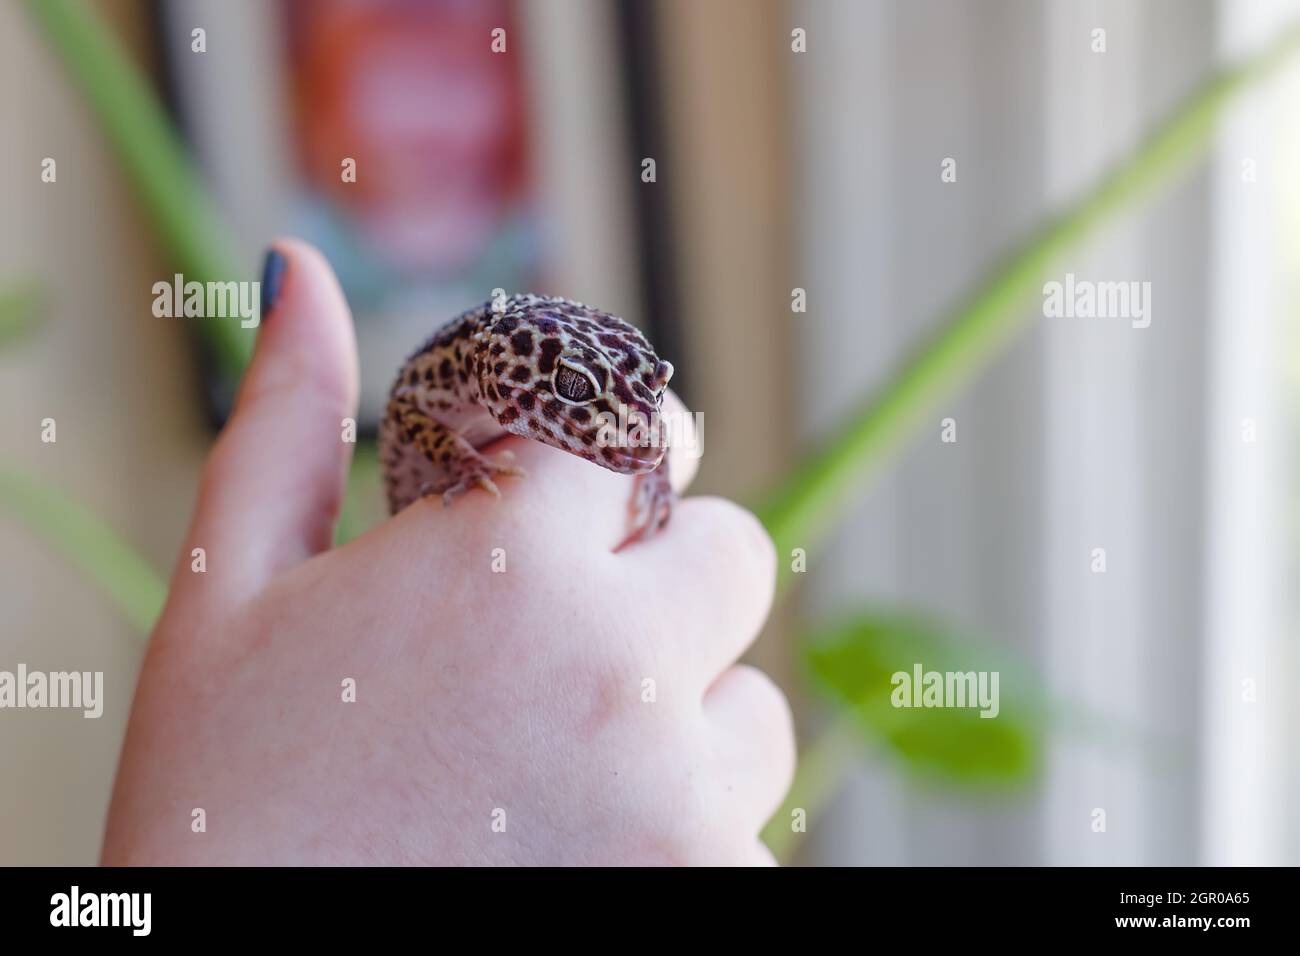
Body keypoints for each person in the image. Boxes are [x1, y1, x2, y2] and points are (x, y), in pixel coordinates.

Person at [99, 240, 795, 865]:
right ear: (497, 371)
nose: (640, 431)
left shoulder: (578, 402)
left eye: (652, 388)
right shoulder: (444, 386)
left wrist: (649, 469)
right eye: (575, 393)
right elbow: (408, 417)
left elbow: (639, 428)